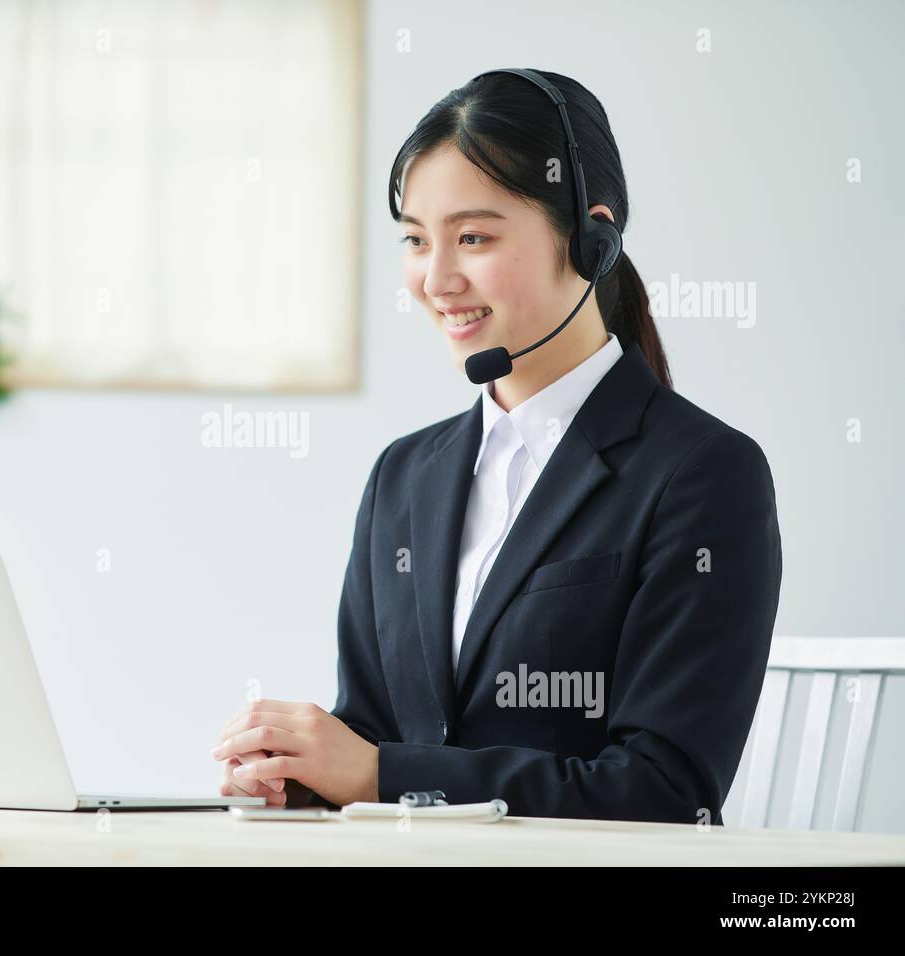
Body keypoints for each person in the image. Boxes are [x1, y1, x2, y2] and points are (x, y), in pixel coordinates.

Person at [212, 69, 782, 824]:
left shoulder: (703, 474)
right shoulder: (403, 477)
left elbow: (663, 793)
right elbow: (380, 737)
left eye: (473, 237)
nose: (436, 278)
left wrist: (384, 773)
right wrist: (302, 772)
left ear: (591, 237)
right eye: (416, 241)